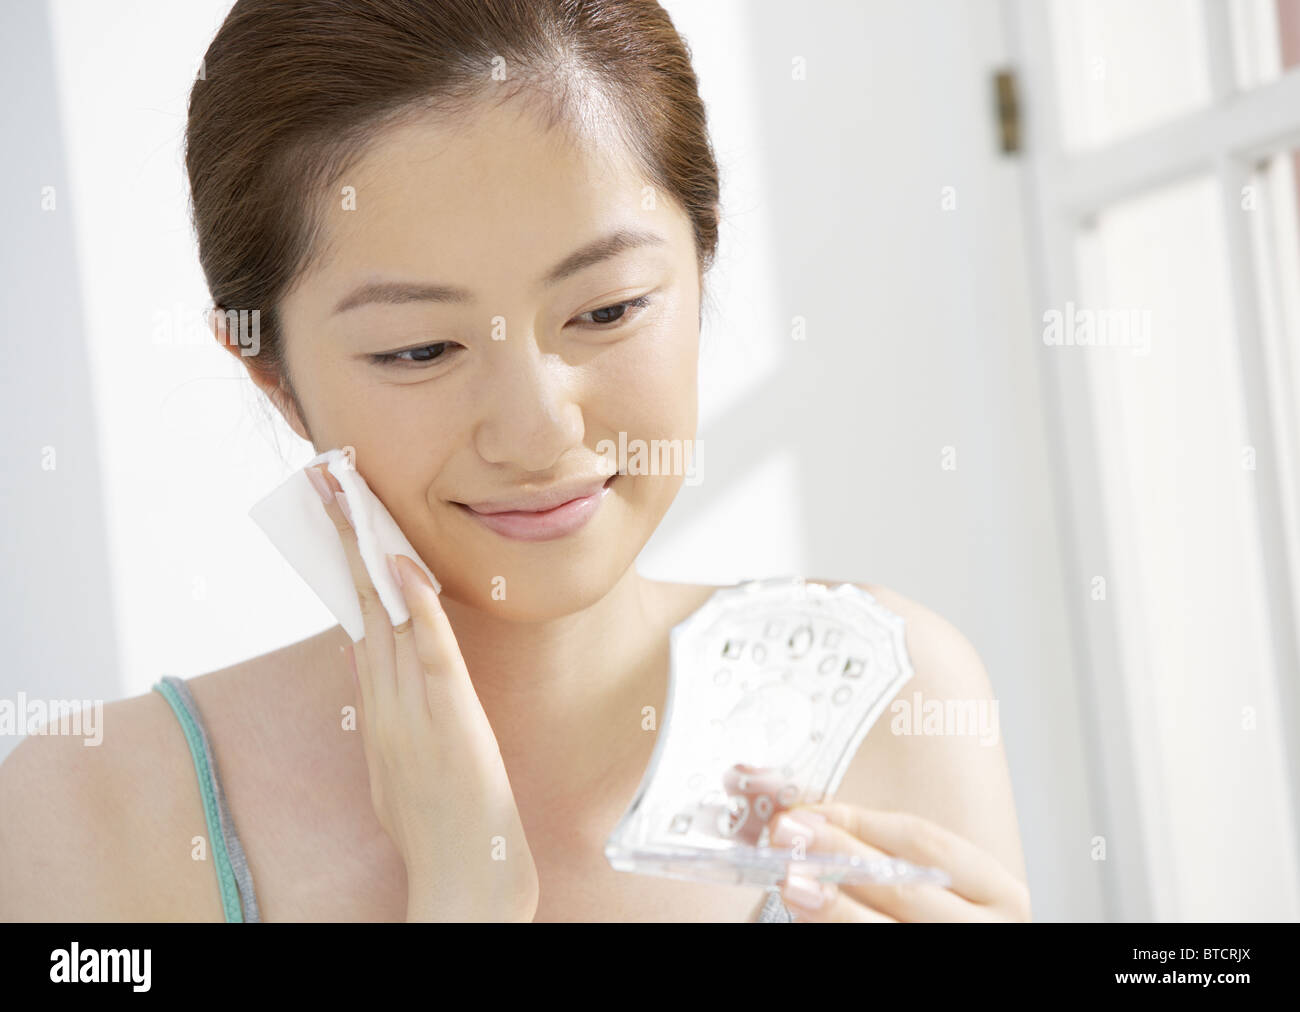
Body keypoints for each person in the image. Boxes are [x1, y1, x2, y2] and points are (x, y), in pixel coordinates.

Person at [0, 0, 1029, 923]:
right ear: (273, 376)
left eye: (607, 310)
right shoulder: (94, 808)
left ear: (701, 260)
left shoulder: (884, 699)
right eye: (419, 349)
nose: (538, 429)